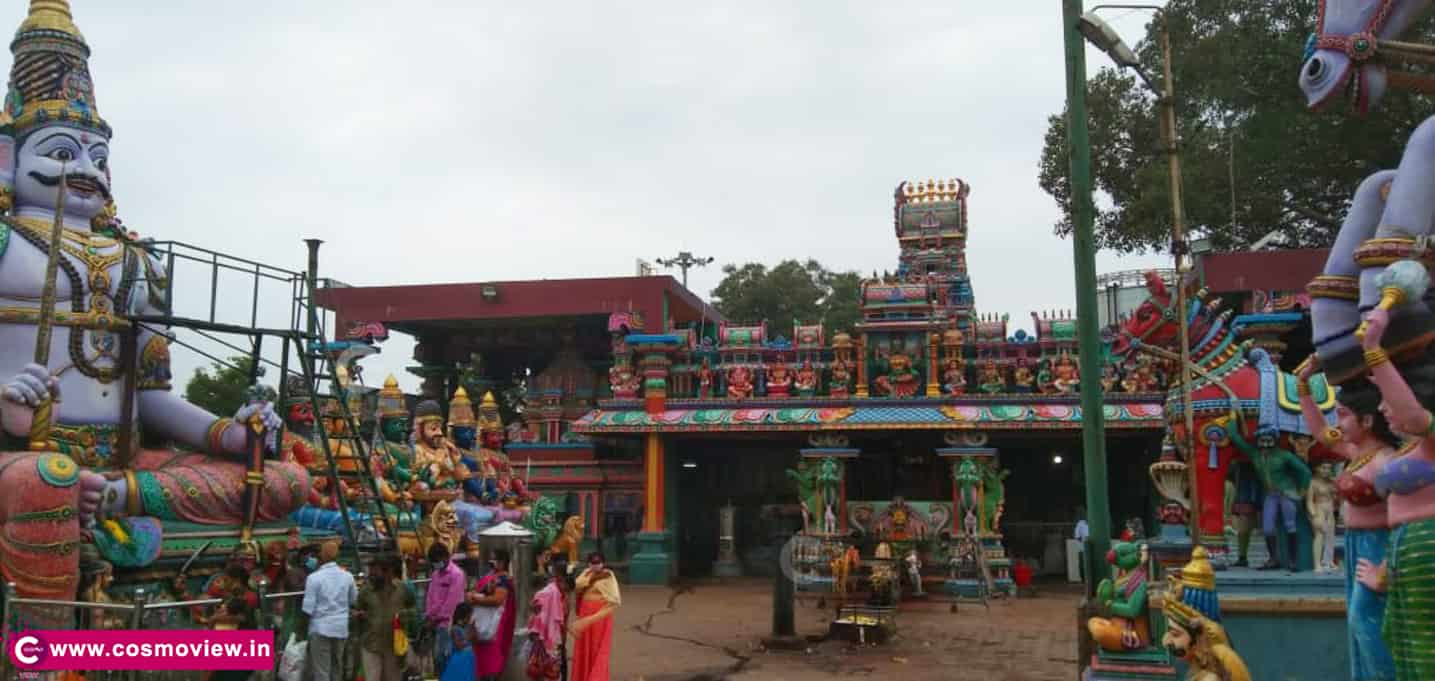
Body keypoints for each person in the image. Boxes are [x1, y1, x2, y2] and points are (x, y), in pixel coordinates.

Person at [355, 554, 416, 681]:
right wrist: (358, 615)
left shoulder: (402, 589)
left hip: (394, 647)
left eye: (375, 574)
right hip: (371, 645)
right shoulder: (365, 592)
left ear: (388, 572)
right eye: (370, 573)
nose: (371, 576)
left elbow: (413, 608)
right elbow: (356, 609)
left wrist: (406, 616)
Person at [302, 541, 357, 681]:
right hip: (340, 628)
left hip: (320, 628)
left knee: (321, 671)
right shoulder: (348, 576)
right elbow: (353, 600)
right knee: (337, 667)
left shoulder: (313, 578)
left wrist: (302, 631)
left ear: (320, 556)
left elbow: (308, 609)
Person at [572, 552, 620, 681]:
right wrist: (588, 578)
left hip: (599, 616)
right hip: (585, 611)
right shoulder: (586, 573)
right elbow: (576, 586)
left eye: (598, 563)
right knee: (584, 647)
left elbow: (614, 600)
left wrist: (592, 619)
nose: (595, 566)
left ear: (603, 563)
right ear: (588, 564)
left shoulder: (608, 576)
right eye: (593, 563)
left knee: (597, 647)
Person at [470, 551, 517, 681]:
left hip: (495, 625)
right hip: (484, 622)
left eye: (494, 559)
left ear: (502, 562)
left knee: (491, 659)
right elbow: (482, 592)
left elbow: (498, 599)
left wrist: (475, 599)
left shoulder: (503, 579)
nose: (491, 562)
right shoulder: (492, 576)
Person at [426, 542, 468, 677]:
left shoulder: (457, 574)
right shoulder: (435, 574)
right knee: (438, 661)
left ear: (446, 557)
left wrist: (436, 618)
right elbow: (430, 596)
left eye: (437, 561)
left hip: (448, 624)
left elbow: (452, 602)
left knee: (448, 658)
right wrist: (429, 615)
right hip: (434, 624)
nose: (436, 564)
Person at [527, 559, 569, 681]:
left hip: (549, 638)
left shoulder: (553, 591)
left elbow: (534, 607)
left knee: (545, 671)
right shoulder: (554, 591)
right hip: (551, 638)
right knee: (547, 671)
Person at [441, 602, 477, 681]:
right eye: (469, 616)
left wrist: (474, 631)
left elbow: (474, 641)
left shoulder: (468, 627)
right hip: (460, 659)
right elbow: (458, 646)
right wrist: (469, 636)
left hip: (469, 658)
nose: (471, 618)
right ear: (464, 616)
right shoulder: (455, 629)